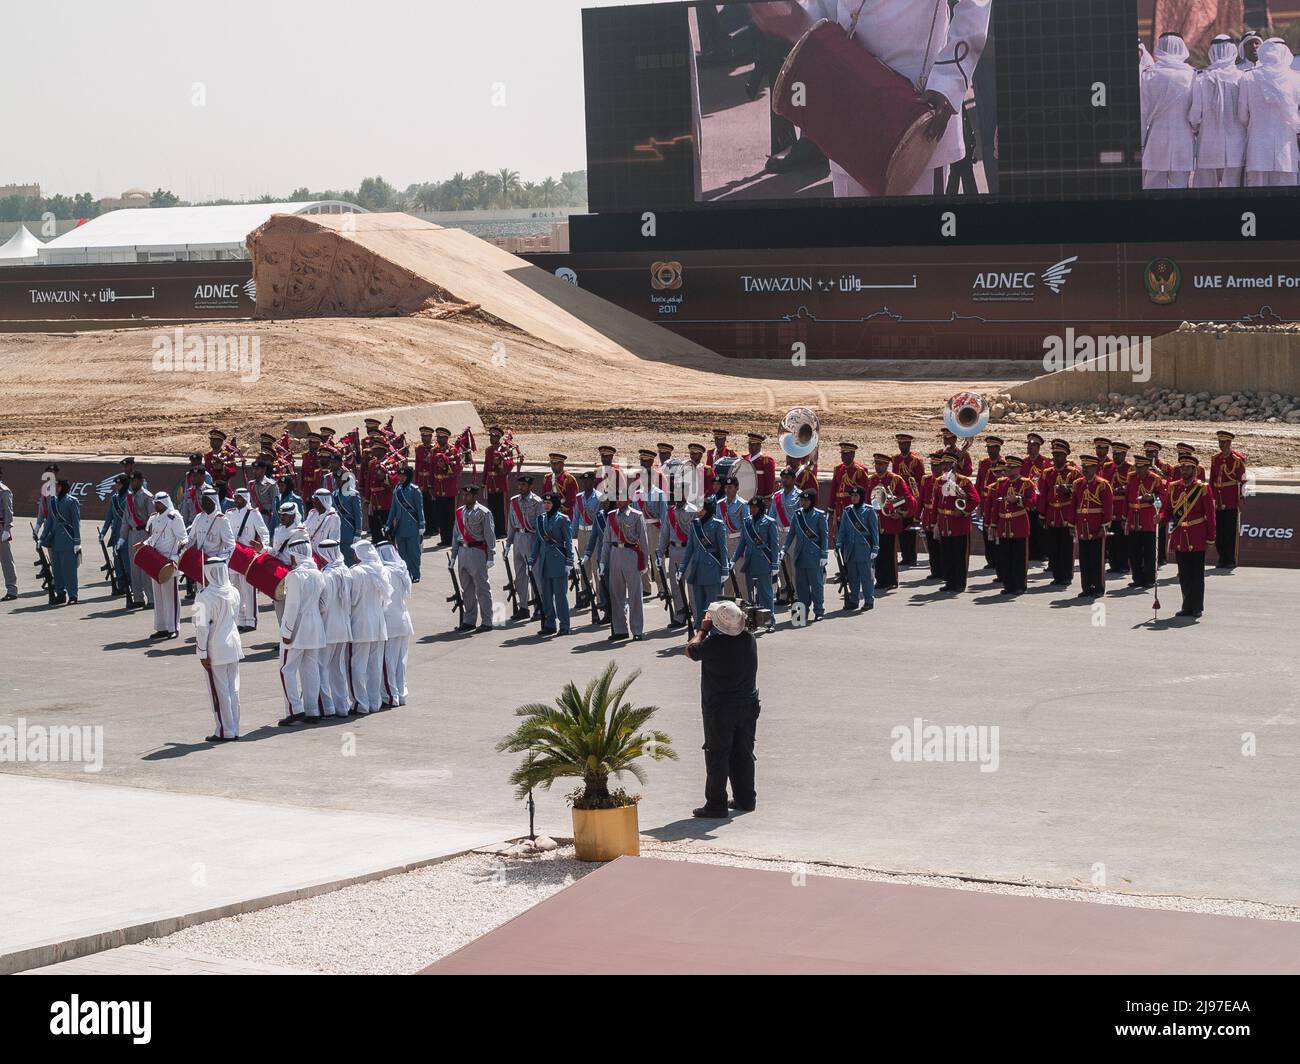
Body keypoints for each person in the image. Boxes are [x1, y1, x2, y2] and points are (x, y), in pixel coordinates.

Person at [754, 0, 992, 198]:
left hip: (917, 113)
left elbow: (976, 5)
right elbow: (824, 10)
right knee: (856, 248)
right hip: (847, 104)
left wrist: (948, 83)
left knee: (916, 248)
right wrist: (797, 21)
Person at [685, 600, 760, 820]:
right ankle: (745, 798)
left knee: (717, 754)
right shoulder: (749, 639)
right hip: (747, 705)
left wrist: (703, 629)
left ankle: (716, 804)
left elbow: (690, 650)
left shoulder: (714, 644)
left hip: (720, 708)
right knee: (743, 752)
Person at [278, 539, 327, 725]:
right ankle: (312, 710)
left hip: (297, 629)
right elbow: (324, 604)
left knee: (286, 669)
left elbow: (292, 606)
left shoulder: (294, 576)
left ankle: (295, 708)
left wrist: (287, 631)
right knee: (311, 670)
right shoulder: (318, 574)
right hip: (315, 627)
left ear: (295, 554)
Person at [194, 556, 242, 742]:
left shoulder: (203, 596)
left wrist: (201, 652)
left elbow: (201, 627)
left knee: (219, 691)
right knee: (233, 689)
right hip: (233, 643)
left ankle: (224, 730)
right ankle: (234, 728)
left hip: (216, 647)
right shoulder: (234, 591)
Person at [1239, 38, 1300, 186]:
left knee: (1257, 200)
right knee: (1285, 199)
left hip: (1257, 147)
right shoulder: (1296, 78)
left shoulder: (1248, 77)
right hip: (1286, 148)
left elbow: (1242, 116)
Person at [1190, 35, 1247, 188]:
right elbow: (1245, 115)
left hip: (1208, 145)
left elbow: (1195, 116)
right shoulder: (1243, 78)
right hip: (1236, 146)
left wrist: (1195, 129)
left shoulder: (1201, 78)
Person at [1141, 33, 1196, 189]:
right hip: (1183, 137)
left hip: (1156, 137)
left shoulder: (1149, 74)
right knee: (1180, 185)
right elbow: (1195, 113)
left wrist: (1141, 143)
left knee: (1152, 185)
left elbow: (1143, 113)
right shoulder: (1192, 74)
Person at [1168, 456, 1217, 618]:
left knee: (1197, 574)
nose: (1184, 470)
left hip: (1197, 535)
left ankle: (1197, 606)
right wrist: (1160, 517)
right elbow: (1168, 511)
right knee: (1184, 574)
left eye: (1188, 468)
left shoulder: (1202, 488)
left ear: (1194, 470)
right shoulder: (1174, 487)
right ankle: (1186, 605)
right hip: (1181, 536)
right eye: (1182, 467)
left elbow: (1210, 515)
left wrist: (1211, 538)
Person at [599, 495, 651, 641]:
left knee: (634, 594)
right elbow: (606, 541)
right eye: (617, 499)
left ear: (629, 500)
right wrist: (603, 562)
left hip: (631, 554)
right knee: (616, 594)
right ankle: (620, 629)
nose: (618, 502)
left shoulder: (636, 515)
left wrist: (645, 563)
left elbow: (644, 541)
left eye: (621, 499)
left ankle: (637, 629)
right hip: (615, 554)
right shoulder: (611, 516)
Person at [349, 540, 391, 714]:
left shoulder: (356, 572)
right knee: (374, 666)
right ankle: (375, 702)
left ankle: (361, 703)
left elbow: (352, 599)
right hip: (379, 623)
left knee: (357, 665)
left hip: (361, 623)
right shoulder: (380, 569)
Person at [866, 452, 916, 591]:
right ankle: (880, 579)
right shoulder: (872, 480)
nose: (878, 467)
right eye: (876, 464)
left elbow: (906, 498)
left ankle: (891, 579)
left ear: (887, 465)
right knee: (877, 553)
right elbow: (868, 500)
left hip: (890, 520)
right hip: (876, 521)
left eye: (881, 464)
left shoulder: (896, 479)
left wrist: (892, 505)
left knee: (889, 552)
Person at [451, 484, 497, 632]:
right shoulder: (459, 512)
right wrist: (453, 556)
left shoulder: (484, 512)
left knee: (482, 588)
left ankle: (487, 621)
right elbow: (455, 535)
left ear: (475, 496)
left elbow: (490, 536)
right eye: (464, 495)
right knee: (467, 588)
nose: (465, 498)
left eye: (468, 495)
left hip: (477, 551)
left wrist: (491, 556)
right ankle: (469, 620)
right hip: (463, 552)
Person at [680, 496, 730, 630]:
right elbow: (689, 549)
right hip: (697, 569)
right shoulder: (694, 525)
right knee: (699, 604)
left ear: (707, 509)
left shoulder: (718, 524)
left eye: (701, 508)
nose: (698, 510)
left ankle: (714, 632)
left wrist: (725, 569)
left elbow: (723, 549)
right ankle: (700, 631)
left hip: (712, 569)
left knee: (713, 605)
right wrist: (682, 568)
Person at [933, 453, 980, 593]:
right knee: (946, 555)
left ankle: (959, 583)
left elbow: (975, 500)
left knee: (959, 556)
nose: (945, 467)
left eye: (948, 464)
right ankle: (949, 582)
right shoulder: (938, 481)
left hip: (959, 523)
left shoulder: (964, 481)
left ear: (954, 465)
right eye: (943, 464)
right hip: (944, 523)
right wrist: (935, 523)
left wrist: (963, 511)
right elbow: (936, 503)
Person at [317, 539, 354, 717]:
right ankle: (342, 705)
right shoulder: (346, 571)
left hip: (328, 627)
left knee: (321, 667)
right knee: (337, 668)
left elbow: (323, 605)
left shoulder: (326, 575)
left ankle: (327, 706)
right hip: (344, 627)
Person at [142, 492, 187, 638]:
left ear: (166, 502)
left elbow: (183, 540)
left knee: (170, 596)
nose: (156, 505)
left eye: (159, 502)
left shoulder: (174, 517)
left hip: (169, 562)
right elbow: (152, 538)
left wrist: (176, 558)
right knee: (158, 595)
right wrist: (143, 545)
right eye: (155, 502)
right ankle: (161, 627)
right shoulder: (154, 518)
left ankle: (173, 627)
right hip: (155, 560)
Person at [530, 491, 574, 636]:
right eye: (545, 503)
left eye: (549, 503)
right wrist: (532, 559)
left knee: (560, 596)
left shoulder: (562, 519)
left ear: (555, 504)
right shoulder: (540, 520)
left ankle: (564, 625)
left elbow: (568, 541)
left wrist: (569, 560)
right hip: (544, 561)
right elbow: (538, 541)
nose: (546, 505)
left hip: (559, 561)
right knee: (546, 595)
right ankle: (549, 624)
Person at [991, 455, 1036, 596]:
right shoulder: (1001, 483)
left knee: (1019, 558)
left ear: (1018, 468)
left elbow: (1032, 503)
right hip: (1004, 524)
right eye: (1007, 467)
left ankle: (1019, 585)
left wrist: (1018, 499)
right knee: (1005, 557)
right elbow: (996, 505)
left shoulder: (1026, 483)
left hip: (1018, 524)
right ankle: (1008, 584)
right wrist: (993, 524)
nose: (1007, 470)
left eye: (1011, 467)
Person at [732, 494, 780, 629]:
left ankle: (770, 621)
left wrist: (775, 563)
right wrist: (733, 559)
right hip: (750, 562)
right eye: (751, 507)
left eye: (755, 507)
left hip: (764, 562)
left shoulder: (769, 522)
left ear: (761, 508)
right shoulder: (747, 522)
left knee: (766, 594)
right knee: (751, 595)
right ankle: (754, 622)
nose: (752, 510)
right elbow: (742, 544)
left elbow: (774, 545)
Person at [784, 487, 828, 622]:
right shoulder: (797, 515)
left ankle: (819, 610)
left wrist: (824, 554)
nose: (804, 503)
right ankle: (802, 613)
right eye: (802, 500)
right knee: (801, 587)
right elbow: (791, 534)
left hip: (814, 556)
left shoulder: (819, 515)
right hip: (800, 555)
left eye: (806, 500)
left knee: (816, 585)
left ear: (812, 501)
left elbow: (824, 536)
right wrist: (784, 548)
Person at [1071, 455, 1113, 598]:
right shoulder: (1078, 484)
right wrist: (1072, 524)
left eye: (1089, 467)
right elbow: (1074, 505)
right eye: (1084, 467)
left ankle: (1098, 587)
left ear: (1095, 468)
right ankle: (1086, 587)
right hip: (1082, 526)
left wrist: (1104, 525)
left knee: (1097, 559)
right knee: (1084, 559)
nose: (1086, 470)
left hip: (1096, 526)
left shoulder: (1102, 484)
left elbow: (1108, 507)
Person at [378, 541, 413, 707]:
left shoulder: (385, 572)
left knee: (388, 662)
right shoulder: (401, 569)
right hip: (404, 620)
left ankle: (391, 697)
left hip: (390, 622)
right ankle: (401, 693)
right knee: (401, 661)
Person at [228, 488, 268, 632]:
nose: (237, 500)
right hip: (233, 555)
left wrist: (263, 548)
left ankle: (251, 620)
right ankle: (241, 619)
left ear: (246, 498)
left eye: (240, 498)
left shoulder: (253, 513)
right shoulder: (230, 513)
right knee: (236, 589)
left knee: (248, 589)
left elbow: (263, 532)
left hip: (247, 555)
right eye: (235, 498)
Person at [1039, 441, 1078, 586]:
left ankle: (1066, 575)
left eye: (1059, 455)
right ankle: (1056, 575)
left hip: (1066, 513)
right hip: (1052, 513)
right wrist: (1042, 514)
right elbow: (1044, 494)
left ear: (1065, 456)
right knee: (1053, 547)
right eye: (1054, 455)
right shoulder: (1048, 473)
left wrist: (1068, 489)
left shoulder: (1073, 472)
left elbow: (1079, 492)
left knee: (1066, 548)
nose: (1055, 458)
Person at [835, 485, 879, 611]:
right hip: (850, 549)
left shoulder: (869, 511)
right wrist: (839, 545)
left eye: (856, 496)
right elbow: (842, 530)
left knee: (866, 577)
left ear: (861, 497)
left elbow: (874, 531)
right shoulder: (847, 511)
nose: (853, 498)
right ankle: (853, 600)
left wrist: (875, 548)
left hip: (864, 548)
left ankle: (869, 600)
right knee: (853, 577)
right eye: (852, 496)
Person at [1125, 454, 1165, 590]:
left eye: (1141, 467)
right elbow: (1127, 497)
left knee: (1148, 551)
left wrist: (1152, 497)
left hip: (1147, 517)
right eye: (1137, 467)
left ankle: (1149, 579)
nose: (1138, 470)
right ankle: (1137, 578)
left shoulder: (1155, 479)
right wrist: (1125, 517)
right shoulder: (1131, 477)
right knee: (1133, 551)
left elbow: (1162, 497)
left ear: (1147, 467)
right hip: (1133, 516)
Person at [506, 474, 543, 621]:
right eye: (519, 485)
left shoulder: (537, 502)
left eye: (523, 485)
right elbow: (510, 523)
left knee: (535, 574)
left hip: (532, 538)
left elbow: (540, 524)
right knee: (520, 575)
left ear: (530, 486)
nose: (520, 487)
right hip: (518, 537)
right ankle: (523, 607)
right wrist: (508, 544)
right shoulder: (514, 501)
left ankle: (538, 605)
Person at [39, 479, 82, 605]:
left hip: (68, 540)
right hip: (56, 540)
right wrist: (42, 538)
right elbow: (49, 522)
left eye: (57, 486)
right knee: (57, 570)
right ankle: (61, 593)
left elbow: (76, 522)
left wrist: (77, 542)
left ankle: (73, 595)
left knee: (69, 571)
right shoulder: (53, 501)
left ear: (62, 487)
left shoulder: (72, 501)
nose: (55, 489)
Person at [1210, 430, 1247, 569]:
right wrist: (1210, 497)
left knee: (1230, 531)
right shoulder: (1215, 458)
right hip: (1218, 498)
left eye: (1224, 442)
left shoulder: (1237, 460)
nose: (1221, 445)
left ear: (1229, 443)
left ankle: (1230, 559)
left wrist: (1242, 497)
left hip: (1230, 498)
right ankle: (1221, 558)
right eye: (1220, 442)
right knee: (1219, 531)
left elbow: (1243, 480)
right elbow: (1212, 479)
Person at [661, 489, 698, 626]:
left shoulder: (693, 510)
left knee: (691, 585)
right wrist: (660, 552)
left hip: (688, 550)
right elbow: (665, 532)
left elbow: (697, 533)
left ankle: (695, 615)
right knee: (676, 584)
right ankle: (680, 614)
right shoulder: (670, 511)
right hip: (673, 550)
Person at [385, 466, 425, 581]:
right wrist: (388, 524)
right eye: (400, 476)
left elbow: (419, 508)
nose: (401, 478)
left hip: (413, 526)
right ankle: (406, 573)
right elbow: (393, 509)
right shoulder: (397, 490)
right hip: (400, 526)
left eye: (403, 476)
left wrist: (422, 525)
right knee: (402, 552)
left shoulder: (414, 490)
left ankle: (416, 574)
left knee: (414, 552)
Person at [891, 434, 925, 567]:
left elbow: (920, 480)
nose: (901, 447)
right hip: (899, 497)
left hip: (911, 497)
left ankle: (912, 557)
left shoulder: (916, 460)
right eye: (900, 444)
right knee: (900, 526)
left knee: (910, 527)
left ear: (909, 445)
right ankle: (905, 556)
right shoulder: (895, 459)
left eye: (904, 444)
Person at [768, 466, 801, 604]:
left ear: (793, 480)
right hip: (779, 533)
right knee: (781, 566)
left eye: (787, 478)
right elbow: (772, 515)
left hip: (793, 534)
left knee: (794, 566)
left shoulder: (799, 495)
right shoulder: (777, 496)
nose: (784, 480)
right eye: (783, 478)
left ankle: (798, 595)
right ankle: (784, 592)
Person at [122, 471, 154, 610]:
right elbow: (125, 519)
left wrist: (153, 539)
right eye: (131, 481)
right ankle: (138, 598)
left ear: (141, 481)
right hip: (132, 533)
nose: (132, 483)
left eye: (135, 481)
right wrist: (122, 537)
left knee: (146, 568)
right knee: (134, 568)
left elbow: (152, 519)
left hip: (144, 533)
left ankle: (151, 598)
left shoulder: (147, 497)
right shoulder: (129, 497)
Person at [99, 474, 129, 601]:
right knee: (117, 560)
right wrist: (103, 532)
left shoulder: (130, 497)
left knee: (127, 561)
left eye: (118, 484)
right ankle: (121, 585)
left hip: (127, 534)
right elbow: (109, 516)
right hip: (116, 534)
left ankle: (131, 584)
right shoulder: (114, 498)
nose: (116, 486)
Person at [188, 487, 236, 564]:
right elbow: (191, 539)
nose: (202, 504)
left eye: (205, 501)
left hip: (214, 564)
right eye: (202, 500)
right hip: (200, 562)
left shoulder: (221, 520)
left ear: (213, 502)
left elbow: (231, 545)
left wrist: (220, 560)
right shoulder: (199, 517)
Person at [481, 427, 516, 533]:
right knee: (491, 507)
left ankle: (503, 530)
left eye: (494, 436)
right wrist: (484, 482)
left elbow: (510, 464)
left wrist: (500, 464)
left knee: (501, 508)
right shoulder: (489, 450)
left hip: (500, 481)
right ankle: (494, 529)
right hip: (491, 482)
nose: (491, 438)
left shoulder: (506, 449)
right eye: (490, 436)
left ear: (499, 438)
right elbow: (486, 467)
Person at [333, 470, 363, 566]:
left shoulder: (353, 494)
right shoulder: (334, 495)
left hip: (349, 532)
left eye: (339, 480)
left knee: (350, 560)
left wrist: (358, 533)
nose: (337, 481)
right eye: (336, 479)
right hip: (337, 532)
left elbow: (358, 515)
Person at [0, 464, 16, 601]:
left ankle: (12, 589)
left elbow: (9, 512)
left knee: (6, 560)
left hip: (1, 528)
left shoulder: (4, 491)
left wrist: (7, 529)